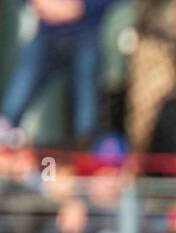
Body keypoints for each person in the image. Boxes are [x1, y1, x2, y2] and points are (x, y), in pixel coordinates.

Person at [0, 0, 117, 149]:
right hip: (46, 34)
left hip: (87, 34)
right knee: (13, 104)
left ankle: (84, 152)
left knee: (86, 116)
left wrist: (85, 7)